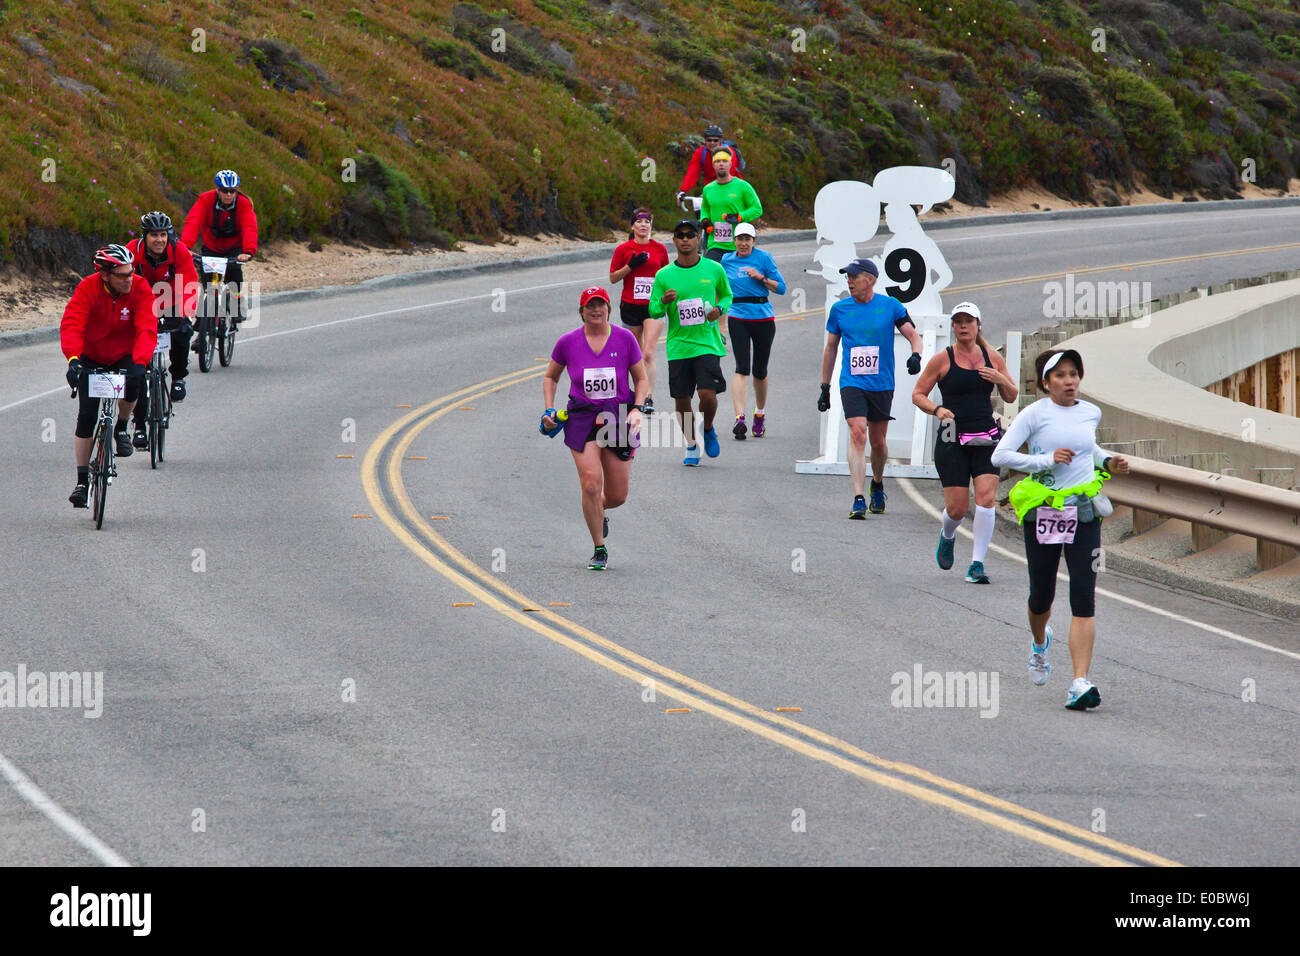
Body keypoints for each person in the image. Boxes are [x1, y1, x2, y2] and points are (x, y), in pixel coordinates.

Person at [991, 349, 1130, 710]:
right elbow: (1000, 456)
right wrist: (1044, 460)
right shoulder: (1034, 414)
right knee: (1042, 597)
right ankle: (1039, 643)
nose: (1070, 381)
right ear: (1046, 383)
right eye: (1062, 376)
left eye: (1074, 374)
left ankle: (1079, 682)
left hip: (1083, 510)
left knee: (1084, 598)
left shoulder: (1090, 412)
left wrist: (1108, 460)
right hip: (1045, 509)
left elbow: (1089, 449)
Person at [911, 302, 1018, 583]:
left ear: (977, 325)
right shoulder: (942, 359)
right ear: (953, 327)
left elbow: (1012, 395)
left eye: (968, 321)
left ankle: (977, 564)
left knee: (985, 499)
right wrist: (937, 410)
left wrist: (999, 378)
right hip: (951, 439)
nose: (962, 326)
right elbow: (918, 394)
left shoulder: (992, 358)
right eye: (957, 321)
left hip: (985, 437)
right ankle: (947, 534)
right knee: (958, 508)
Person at [542, 287, 647, 570]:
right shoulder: (567, 342)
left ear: (609, 309)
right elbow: (551, 376)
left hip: (617, 417)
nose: (596, 310)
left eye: (600, 305)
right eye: (590, 306)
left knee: (617, 496)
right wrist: (549, 408)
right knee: (590, 483)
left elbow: (641, 379)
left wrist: (637, 408)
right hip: (582, 417)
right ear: (582, 311)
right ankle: (599, 547)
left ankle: (599, 510)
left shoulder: (625, 339)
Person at [818, 259, 923, 518]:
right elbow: (831, 348)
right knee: (857, 433)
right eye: (847, 277)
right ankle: (858, 496)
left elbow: (913, 335)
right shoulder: (840, 309)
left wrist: (916, 355)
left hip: (882, 383)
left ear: (871, 279)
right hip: (852, 382)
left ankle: (876, 482)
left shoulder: (890, 306)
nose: (849, 281)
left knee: (878, 441)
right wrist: (824, 386)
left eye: (854, 276)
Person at [61, 245, 158, 506]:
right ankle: (82, 482)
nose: (129, 279)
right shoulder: (87, 289)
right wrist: (73, 360)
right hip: (92, 356)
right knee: (86, 418)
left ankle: (122, 426)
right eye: (122, 275)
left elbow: (147, 327)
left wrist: (140, 362)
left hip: (126, 354)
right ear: (105, 275)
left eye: (131, 273)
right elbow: (73, 323)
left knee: (133, 383)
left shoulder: (139, 287)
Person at [648, 220, 732, 466]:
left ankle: (707, 427)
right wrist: (663, 301)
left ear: (698, 240)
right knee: (682, 398)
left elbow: (727, 294)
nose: (685, 239)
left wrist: (719, 309)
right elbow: (653, 311)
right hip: (679, 345)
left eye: (690, 235)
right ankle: (692, 445)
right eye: (680, 235)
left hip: (707, 342)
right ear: (674, 240)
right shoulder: (664, 275)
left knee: (707, 394)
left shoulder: (714, 269)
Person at [126, 212, 200, 445]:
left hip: (171, 301)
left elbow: (189, 282)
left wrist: (187, 311)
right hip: (141, 304)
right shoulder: (132, 251)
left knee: (183, 332)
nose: (159, 240)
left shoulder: (179, 251)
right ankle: (139, 425)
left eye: (163, 235)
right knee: (140, 366)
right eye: (154, 235)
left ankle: (178, 376)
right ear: (144, 236)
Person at [720, 223, 786, 438]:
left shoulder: (764, 258)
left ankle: (760, 413)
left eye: (748, 239)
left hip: (763, 316)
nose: (743, 243)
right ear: (734, 241)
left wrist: (761, 278)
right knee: (741, 368)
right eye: (740, 239)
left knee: (760, 370)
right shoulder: (727, 260)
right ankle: (740, 418)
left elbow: (782, 288)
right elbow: (719, 291)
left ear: (754, 241)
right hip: (738, 316)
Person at [608, 208, 669, 416]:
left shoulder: (660, 249)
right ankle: (632, 395)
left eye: (647, 222)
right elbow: (613, 278)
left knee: (648, 352)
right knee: (632, 354)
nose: (643, 225)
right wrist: (630, 266)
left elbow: (668, 275)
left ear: (651, 226)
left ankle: (648, 397)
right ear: (632, 226)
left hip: (653, 306)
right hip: (630, 305)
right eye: (639, 221)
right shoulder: (623, 249)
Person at [180, 168, 258, 326]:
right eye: (224, 191)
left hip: (234, 248)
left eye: (232, 191)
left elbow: (250, 227)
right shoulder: (206, 200)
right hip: (212, 247)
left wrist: (248, 251)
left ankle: (237, 303)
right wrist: (185, 246)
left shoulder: (244, 204)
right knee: (208, 286)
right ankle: (202, 330)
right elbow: (193, 221)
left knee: (234, 276)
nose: (228, 194)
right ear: (218, 190)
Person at [700, 151, 762, 262]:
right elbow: (705, 208)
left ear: (730, 164)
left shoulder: (742, 186)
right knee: (710, 275)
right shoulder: (708, 189)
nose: (721, 164)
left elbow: (757, 208)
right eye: (718, 161)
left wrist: (740, 217)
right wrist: (704, 220)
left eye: (724, 161)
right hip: (715, 244)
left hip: (737, 245)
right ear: (713, 165)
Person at [675, 124, 743, 206]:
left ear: (720, 141)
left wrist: (713, 192)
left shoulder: (729, 152)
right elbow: (692, 174)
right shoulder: (700, 153)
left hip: (732, 186)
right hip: (710, 186)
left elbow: (728, 176)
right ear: (705, 141)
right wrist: (683, 191)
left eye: (715, 140)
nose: (712, 143)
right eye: (709, 140)